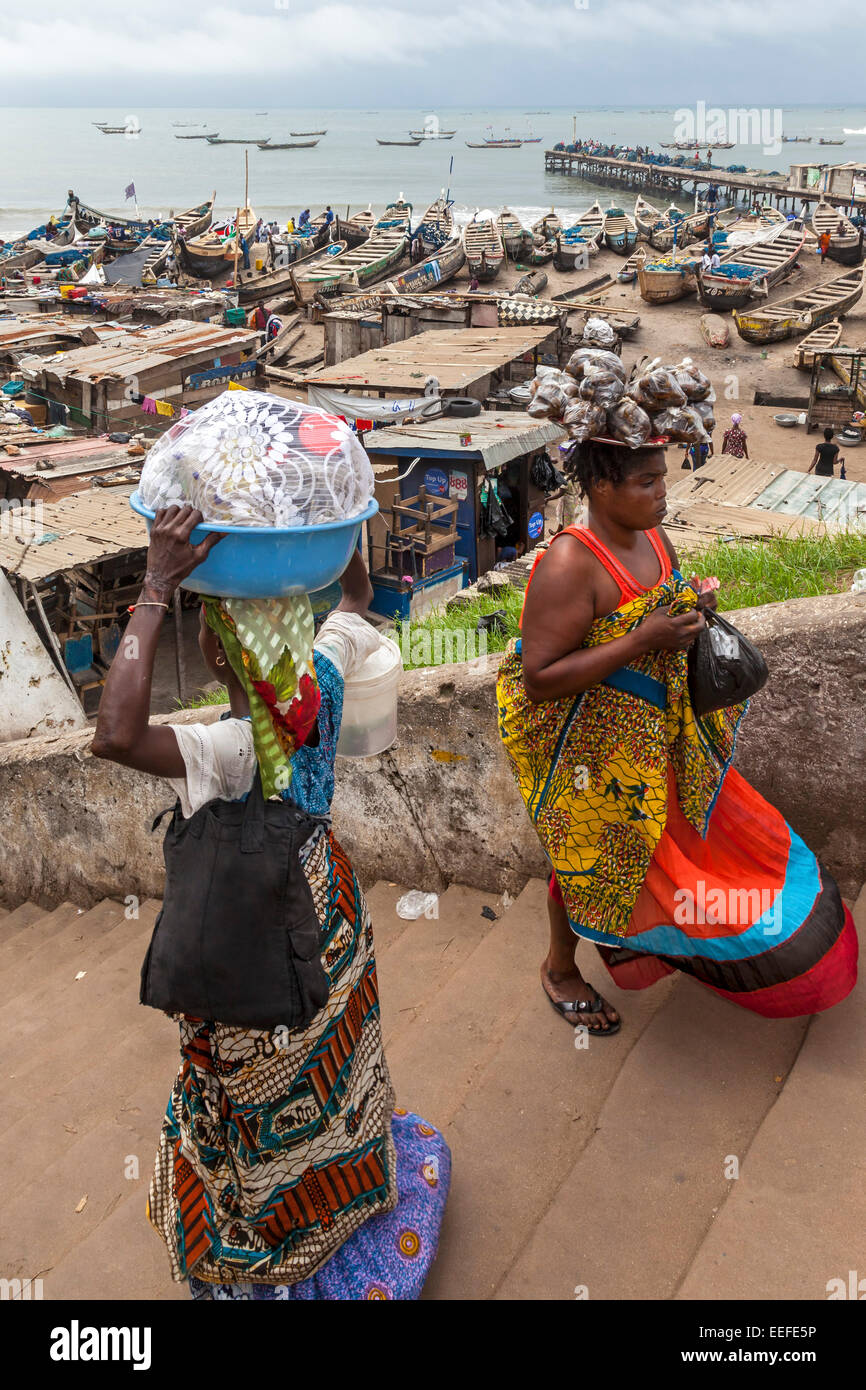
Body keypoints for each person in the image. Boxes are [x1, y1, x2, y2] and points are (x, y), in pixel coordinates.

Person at [91, 508, 450, 1299]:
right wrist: (341, 524)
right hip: (329, 910)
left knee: (255, 1104)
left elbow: (114, 734)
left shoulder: (228, 751)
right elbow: (358, 601)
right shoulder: (317, 680)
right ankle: (345, 1202)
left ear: (221, 649)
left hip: (257, 936)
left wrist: (156, 587)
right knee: (334, 1074)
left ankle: (278, 1261)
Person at [496, 440, 857, 1033]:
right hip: (583, 749)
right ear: (600, 488)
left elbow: (654, 606)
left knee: (634, 853)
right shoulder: (569, 564)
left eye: (661, 478)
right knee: (586, 856)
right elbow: (539, 679)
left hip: (650, 739)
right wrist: (643, 640)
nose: (662, 492)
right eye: (646, 482)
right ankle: (561, 970)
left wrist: (691, 606)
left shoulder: (653, 536)